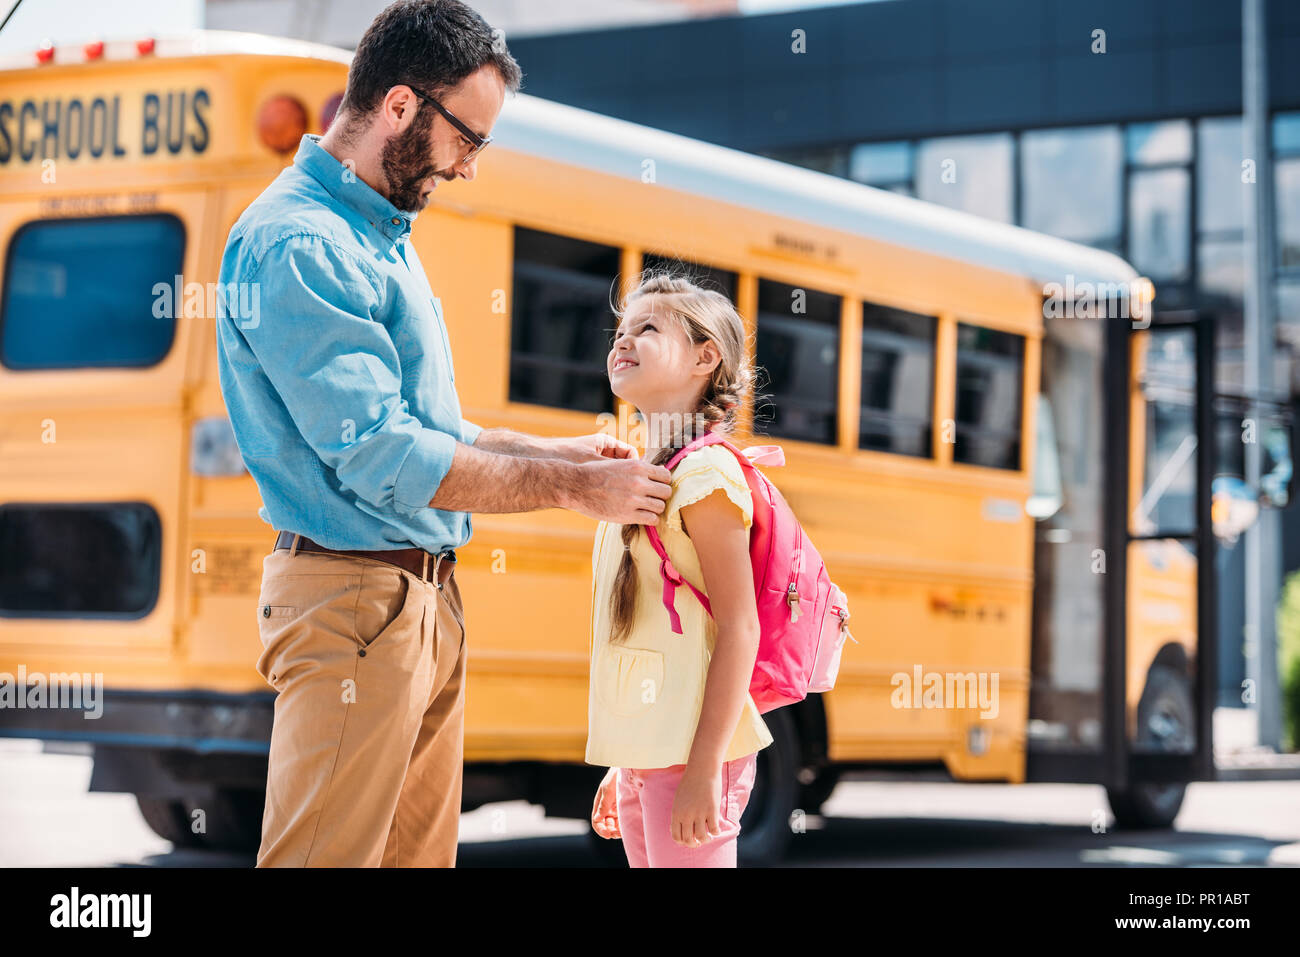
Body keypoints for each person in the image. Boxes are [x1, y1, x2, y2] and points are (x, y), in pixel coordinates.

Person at [215, 0, 672, 867]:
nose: (467, 169)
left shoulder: (378, 236)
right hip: (355, 603)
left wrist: (555, 453)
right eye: (468, 138)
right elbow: (386, 456)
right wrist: (575, 490)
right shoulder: (299, 245)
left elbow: (432, 430)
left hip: (416, 604)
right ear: (398, 106)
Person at [587, 271, 774, 867]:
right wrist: (627, 758)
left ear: (705, 357)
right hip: (652, 754)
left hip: (692, 758)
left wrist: (704, 772)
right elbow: (653, 636)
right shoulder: (639, 476)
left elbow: (740, 629)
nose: (622, 340)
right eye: (620, 329)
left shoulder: (707, 477)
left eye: (646, 328)